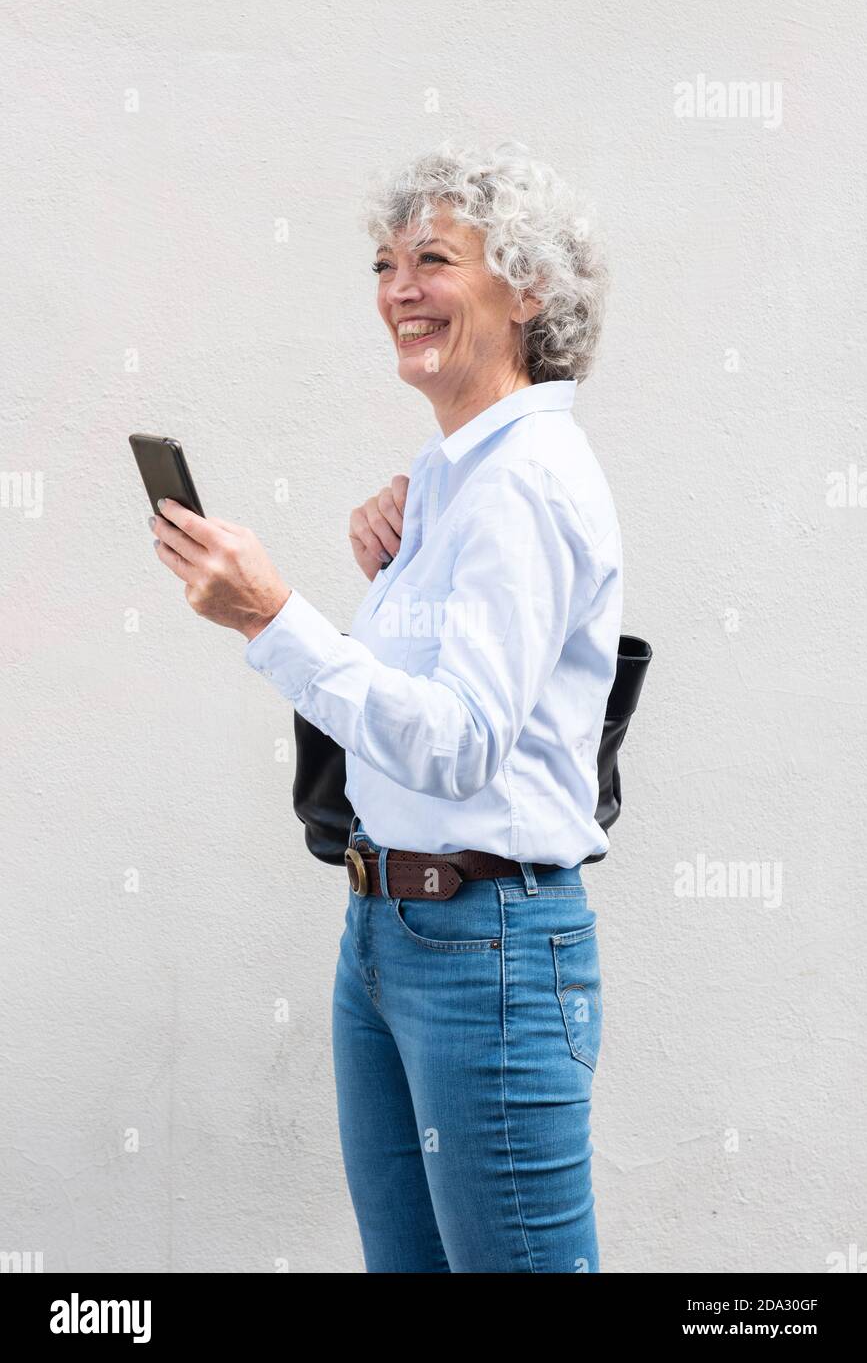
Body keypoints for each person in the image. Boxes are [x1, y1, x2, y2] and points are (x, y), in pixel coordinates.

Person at [150, 141, 623, 1272]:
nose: (398, 289)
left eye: (434, 259)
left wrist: (273, 616)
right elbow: (439, 699)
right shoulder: (456, 469)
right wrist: (399, 571)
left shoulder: (522, 477)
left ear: (528, 289)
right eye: (383, 262)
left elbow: (461, 747)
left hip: (487, 947)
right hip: (389, 927)